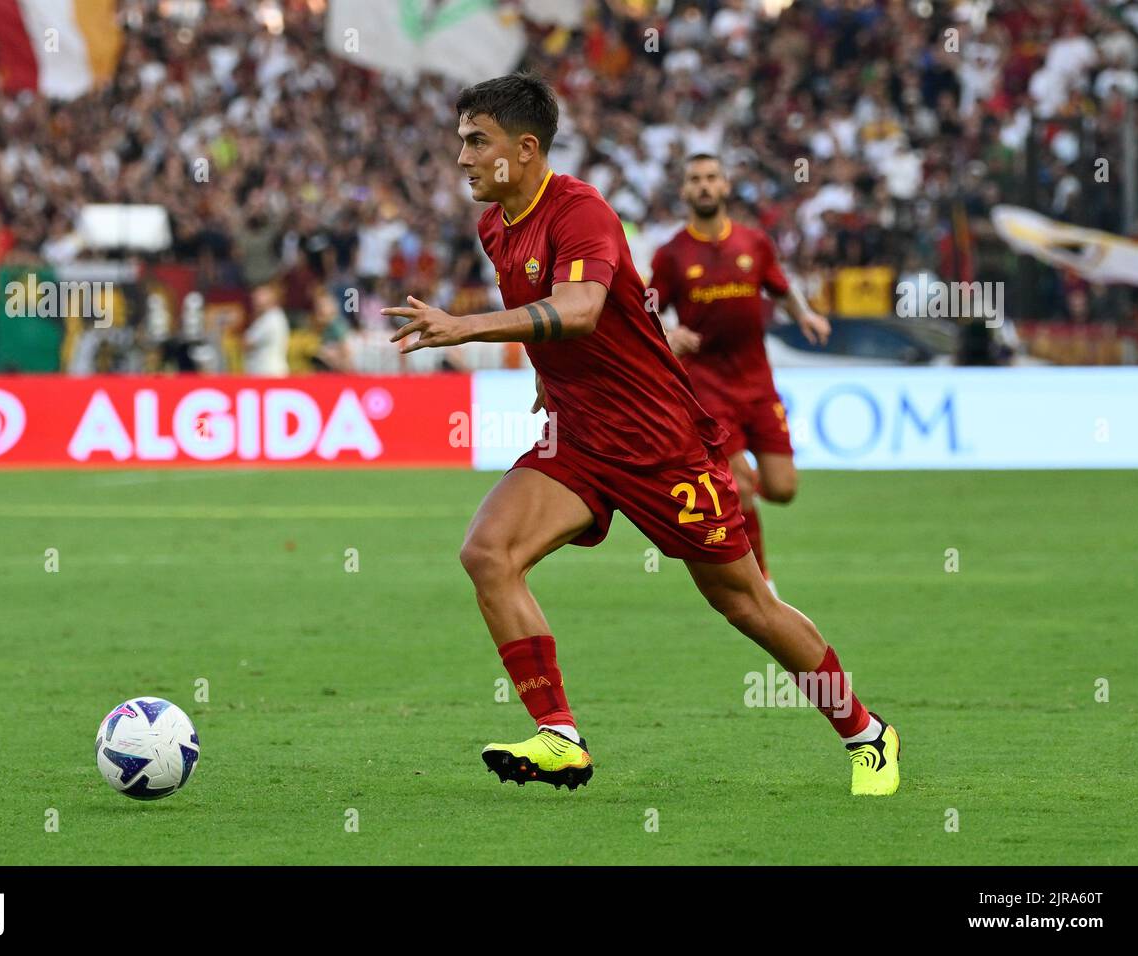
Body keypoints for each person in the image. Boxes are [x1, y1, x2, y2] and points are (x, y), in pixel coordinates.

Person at [381, 72, 899, 796]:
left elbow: (584, 307)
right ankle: (559, 736)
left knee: (745, 604)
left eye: (477, 141)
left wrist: (465, 326)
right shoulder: (494, 224)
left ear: (525, 148)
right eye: (459, 141)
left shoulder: (581, 211)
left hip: (661, 444)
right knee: (488, 553)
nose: (461, 157)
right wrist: (544, 378)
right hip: (579, 441)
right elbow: (553, 320)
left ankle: (867, 733)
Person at [648, 155, 832, 591]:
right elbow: (645, 310)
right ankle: (763, 583)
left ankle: (736, 501)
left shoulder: (754, 243)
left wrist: (805, 316)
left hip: (758, 384)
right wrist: (668, 333)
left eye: (712, 178)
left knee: (783, 488)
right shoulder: (672, 254)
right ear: (685, 191)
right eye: (695, 180)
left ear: (726, 186)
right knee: (739, 486)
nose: (705, 186)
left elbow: (780, 288)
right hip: (706, 387)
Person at [242, 283, 289, 377]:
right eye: (256, 293)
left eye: (262, 293)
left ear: (273, 296)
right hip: (260, 372)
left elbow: (247, 343)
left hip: (269, 373)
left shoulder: (272, 317)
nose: (256, 296)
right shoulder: (264, 317)